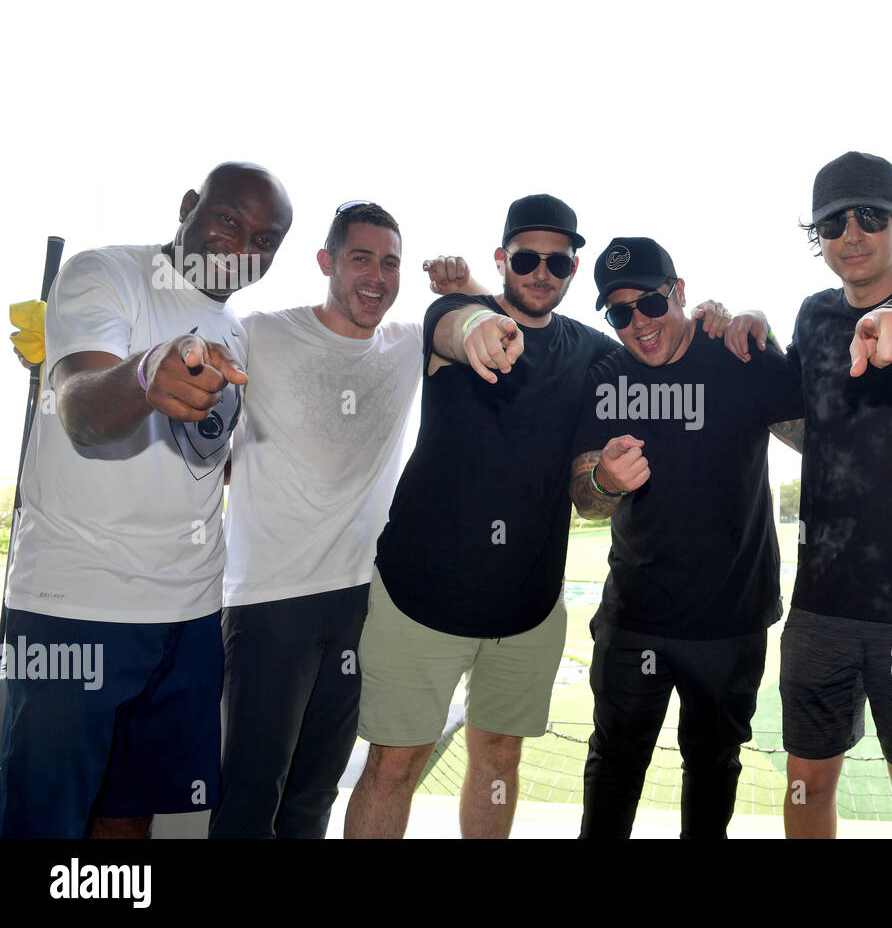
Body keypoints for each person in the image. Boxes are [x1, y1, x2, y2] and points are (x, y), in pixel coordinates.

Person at [0, 162, 293, 838]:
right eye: (228, 220)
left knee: (130, 820)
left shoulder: (235, 330)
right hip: (77, 609)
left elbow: (200, 462)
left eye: (264, 240)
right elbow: (80, 407)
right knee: (44, 823)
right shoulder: (105, 274)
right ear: (189, 206)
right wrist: (143, 375)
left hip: (187, 616)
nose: (240, 247)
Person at [725, 152, 892, 838]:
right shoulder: (814, 315)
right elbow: (806, 422)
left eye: (870, 216)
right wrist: (755, 324)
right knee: (807, 781)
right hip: (822, 600)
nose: (852, 234)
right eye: (833, 223)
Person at [343, 194, 620, 839]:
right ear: (502, 259)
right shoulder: (453, 314)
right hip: (420, 595)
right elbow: (455, 325)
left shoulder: (589, 351)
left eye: (558, 262)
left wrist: (730, 321)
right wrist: (476, 324)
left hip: (528, 607)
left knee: (498, 757)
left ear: (573, 269)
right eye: (525, 259)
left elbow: (659, 347)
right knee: (394, 765)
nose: (541, 272)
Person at [209, 201, 432, 838]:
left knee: (314, 795)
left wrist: (462, 281)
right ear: (326, 262)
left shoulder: (407, 345)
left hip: (360, 602)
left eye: (390, 263)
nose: (377, 276)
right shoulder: (259, 333)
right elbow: (198, 417)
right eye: (361, 258)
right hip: (269, 601)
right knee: (251, 794)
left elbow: (477, 318)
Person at [568, 237, 803, 838]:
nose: (638, 323)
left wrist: (768, 333)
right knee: (615, 765)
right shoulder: (607, 375)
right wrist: (603, 480)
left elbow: (815, 438)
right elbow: (585, 498)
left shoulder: (739, 354)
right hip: (635, 620)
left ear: (677, 292)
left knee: (713, 766)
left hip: (730, 622)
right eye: (619, 313)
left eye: (649, 303)